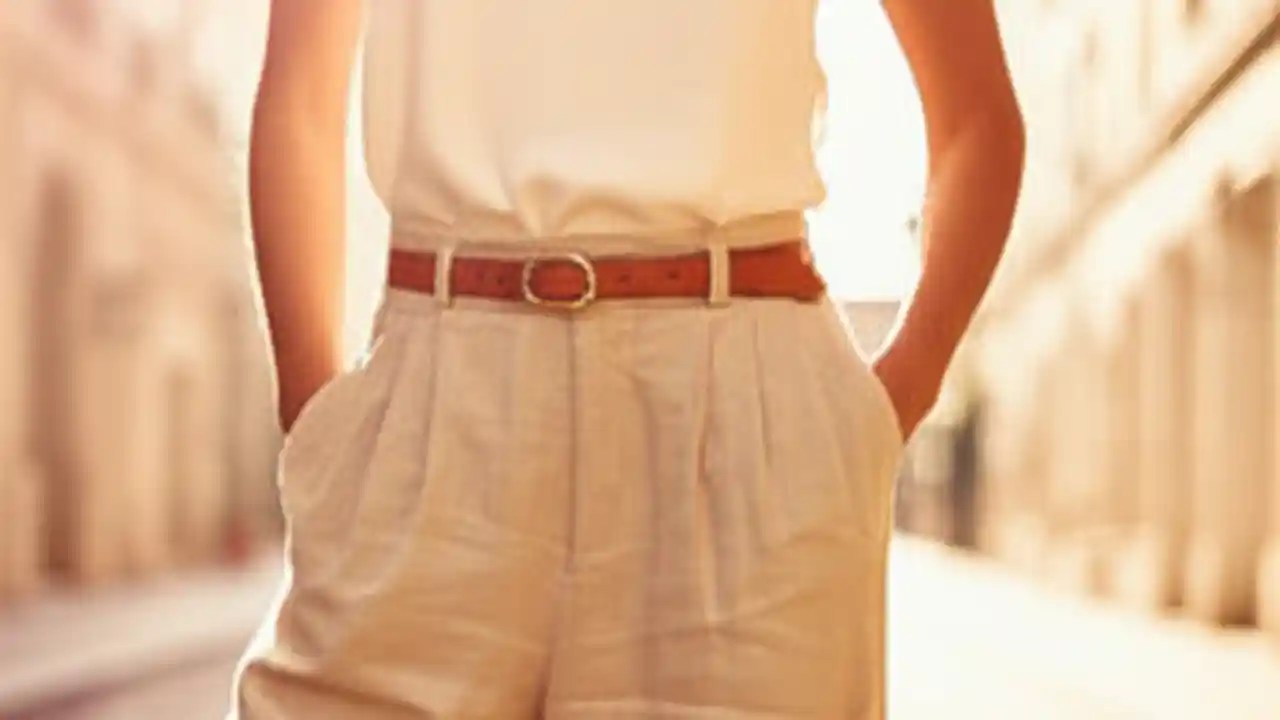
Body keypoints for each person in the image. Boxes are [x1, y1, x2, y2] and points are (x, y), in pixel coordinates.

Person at [229, 0, 1024, 717]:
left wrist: (879, 419)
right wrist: (315, 422)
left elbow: (976, 116)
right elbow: (301, 98)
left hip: (742, 387)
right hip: (439, 368)